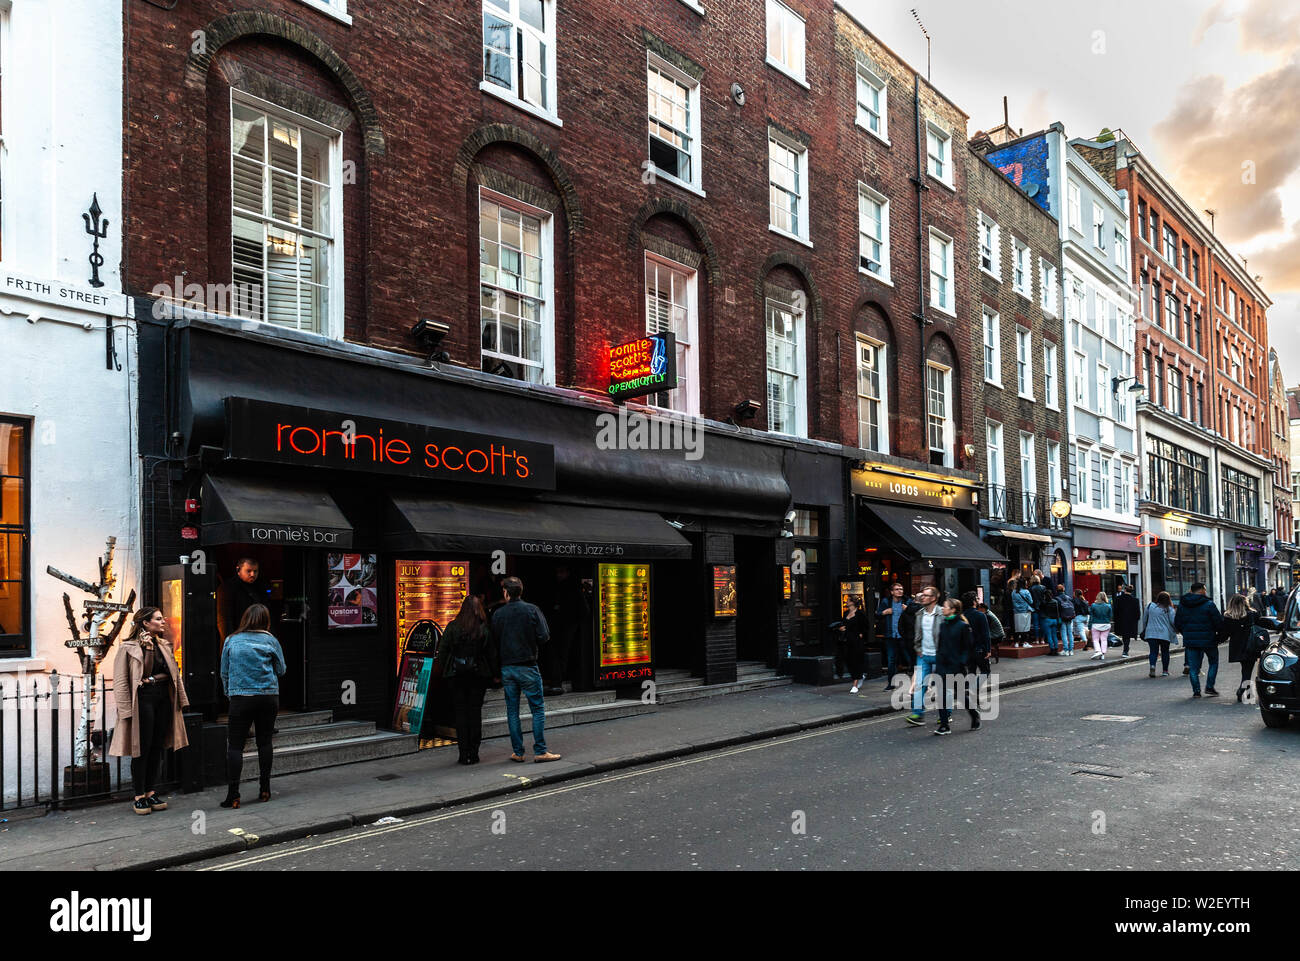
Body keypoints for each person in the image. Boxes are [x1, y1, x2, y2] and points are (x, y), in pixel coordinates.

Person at [111, 607, 189, 815]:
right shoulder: (128, 647)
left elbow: (171, 674)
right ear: (145, 623)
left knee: (157, 746)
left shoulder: (164, 644)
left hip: (163, 699)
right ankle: (139, 795)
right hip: (142, 702)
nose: (163, 621)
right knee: (141, 748)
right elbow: (122, 681)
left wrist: (154, 680)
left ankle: (151, 791)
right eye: (158, 618)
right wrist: (125, 710)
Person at [219, 603, 285, 808]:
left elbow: (224, 671)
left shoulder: (231, 640)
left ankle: (234, 795)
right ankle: (265, 789)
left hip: (241, 697)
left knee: (235, 746)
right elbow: (281, 669)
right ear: (266, 620)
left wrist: (230, 693)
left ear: (245, 619)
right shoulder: (271, 640)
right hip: (268, 697)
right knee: (264, 743)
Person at [491, 576, 561, 763]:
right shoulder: (532, 610)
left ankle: (518, 752)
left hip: (507, 668)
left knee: (512, 711)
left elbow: (494, 641)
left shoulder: (498, 614)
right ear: (520, 591)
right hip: (528, 665)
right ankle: (540, 751)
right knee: (537, 709)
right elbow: (544, 636)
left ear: (505, 593)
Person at [434, 595, 498, 764]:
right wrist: (495, 675)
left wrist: (445, 669)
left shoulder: (453, 627)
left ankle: (463, 754)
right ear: (479, 609)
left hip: (456, 676)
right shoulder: (483, 629)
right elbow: (491, 655)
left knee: (460, 714)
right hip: (478, 676)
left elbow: (442, 650)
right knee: (475, 714)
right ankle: (474, 753)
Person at [933, 597, 977, 735]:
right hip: (942, 666)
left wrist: (961, 662)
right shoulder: (942, 625)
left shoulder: (963, 626)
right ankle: (944, 726)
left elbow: (968, 648)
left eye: (945, 606)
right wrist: (938, 663)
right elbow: (940, 646)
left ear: (953, 610)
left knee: (960, 696)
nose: (943, 608)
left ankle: (974, 715)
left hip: (956, 667)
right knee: (941, 696)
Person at [1174, 582, 1224, 698]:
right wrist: (1218, 636)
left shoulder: (1182, 605)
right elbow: (1218, 623)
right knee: (1213, 662)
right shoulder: (1209, 604)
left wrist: (1186, 633)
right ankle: (1209, 687)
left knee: (1193, 666)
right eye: (1205, 589)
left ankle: (1196, 691)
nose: (1206, 592)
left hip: (1191, 640)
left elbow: (1177, 623)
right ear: (1201, 590)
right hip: (1209, 640)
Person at [905, 586, 943, 727]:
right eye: (922, 595)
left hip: (939, 656)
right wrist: (918, 648)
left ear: (933, 598)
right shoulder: (919, 614)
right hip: (923, 655)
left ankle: (945, 714)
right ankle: (917, 714)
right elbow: (917, 634)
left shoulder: (941, 613)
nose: (922, 597)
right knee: (920, 684)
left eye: (926, 595)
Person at [545, 566, 586, 697]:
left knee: (559, 653)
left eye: (561, 572)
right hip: (567, 626)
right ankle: (558, 681)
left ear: (567, 573)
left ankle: (557, 681)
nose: (558, 575)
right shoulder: (572, 588)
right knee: (562, 654)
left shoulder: (566, 588)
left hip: (564, 626)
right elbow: (584, 610)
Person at [216, 557, 275, 641]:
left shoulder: (261, 587)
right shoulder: (227, 588)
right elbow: (224, 621)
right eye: (248, 571)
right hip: (237, 640)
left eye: (255, 571)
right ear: (238, 570)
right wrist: (230, 642)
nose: (252, 574)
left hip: (259, 639)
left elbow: (268, 616)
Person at [1221, 594, 1262, 704]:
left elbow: (1224, 634)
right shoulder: (1252, 614)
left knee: (1245, 670)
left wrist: (1215, 640)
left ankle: (1247, 694)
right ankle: (1244, 692)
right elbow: (1261, 626)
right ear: (1245, 602)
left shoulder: (1228, 616)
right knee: (1247, 670)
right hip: (1251, 645)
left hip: (1237, 646)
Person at [875, 582, 915, 691]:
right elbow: (877, 614)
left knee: (910, 659)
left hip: (904, 636)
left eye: (901, 589)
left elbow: (915, 614)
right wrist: (884, 612)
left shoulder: (907, 601)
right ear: (892, 592)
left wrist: (908, 609)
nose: (900, 591)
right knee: (891, 660)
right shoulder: (886, 601)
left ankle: (915, 683)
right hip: (890, 635)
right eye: (897, 589)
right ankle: (891, 684)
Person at [1138, 591, 1177, 677]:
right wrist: (1176, 629)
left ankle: (1152, 666)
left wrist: (1145, 629)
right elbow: (1173, 622)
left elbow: (1144, 619)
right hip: (1164, 634)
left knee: (1153, 652)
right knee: (1165, 652)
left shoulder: (1150, 606)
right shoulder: (1169, 609)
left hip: (1151, 633)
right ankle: (1165, 671)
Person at [839, 596, 869, 693]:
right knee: (849, 661)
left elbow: (866, 626)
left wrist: (861, 634)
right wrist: (841, 628)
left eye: (848, 600)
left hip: (856, 641)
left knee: (856, 661)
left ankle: (855, 684)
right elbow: (844, 624)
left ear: (853, 602)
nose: (846, 602)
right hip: (847, 640)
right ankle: (859, 676)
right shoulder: (846, 613)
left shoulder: (860, 614)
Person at [1112, 582, 1141, 658]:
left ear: (1125, 590)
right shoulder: (1135, 600)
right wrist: (1136, 619)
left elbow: (1115, 610)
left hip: (1121, 620)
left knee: (1124, 636)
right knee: (1127, 636)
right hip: (1131, 621)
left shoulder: (1118, 599)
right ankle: (1125, 650)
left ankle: (1125, 649)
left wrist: (1115, 620)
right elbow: (1138, 612)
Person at [1087, 591, 1113, 661]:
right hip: (1106, 624)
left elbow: (1091, 617)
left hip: (1096, 624)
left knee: (1095, 639)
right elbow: (1110, 616)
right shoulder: (1108, 606)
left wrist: (1089, 626)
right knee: (1104, 639)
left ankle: (1098, 651)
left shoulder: (1093, 605)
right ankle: (1103, 654)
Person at [1054, 584, 1078, 656]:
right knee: (1070, 633)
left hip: (1062, 617)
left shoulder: (1056, 598)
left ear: (1057, 590)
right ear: (1063, 590)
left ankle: (1066, 650)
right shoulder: (1069, 597)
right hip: (1070, 617)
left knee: (1064, 634)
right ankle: (1071, 650)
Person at [1009, 579, 1034, 648]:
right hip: (1025, 611)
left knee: (1017, 628)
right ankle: (1024, 643)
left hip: (1016, 612)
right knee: (1025, 628)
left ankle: (1016, 642)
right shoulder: (1026, 591)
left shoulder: (1013, 592)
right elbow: (1031, 601)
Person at [1029, 573, 1049, 647]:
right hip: (1043, 608)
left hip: (1034, 608)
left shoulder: (1030, 589)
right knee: (1043, 624)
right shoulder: (1043, 587)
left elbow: (1030, 599)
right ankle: (1043, 640)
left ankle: (1037, 640)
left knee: (1036, 625)